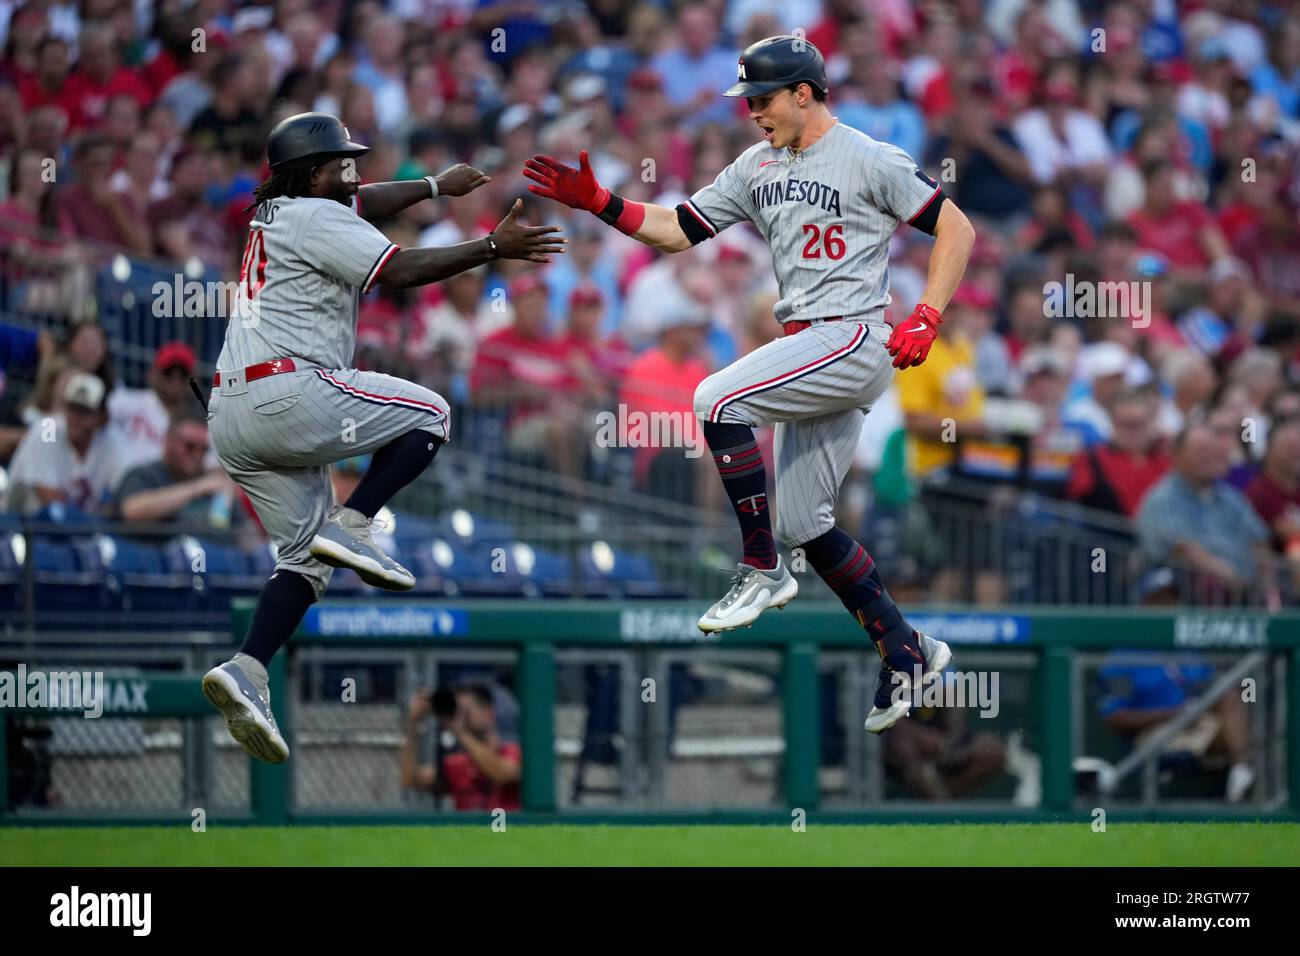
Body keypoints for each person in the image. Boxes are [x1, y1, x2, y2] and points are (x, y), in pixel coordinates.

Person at [525, 36, 975, 733]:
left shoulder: (869, 156)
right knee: (805, 522)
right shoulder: (755, 164)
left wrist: (930, 312)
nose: (752, 112)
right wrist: (603, 203)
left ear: (804, 92)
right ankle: (906, 649)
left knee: (714, 398)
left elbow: (956, 229)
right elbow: (678, 229)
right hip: (807, 347)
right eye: (746, 101)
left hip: (853, 332)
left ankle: (761, 567)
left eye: (762, 99)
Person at [201, 112, 565, 765]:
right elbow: (395, 270)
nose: (353, 171)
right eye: (341, 162)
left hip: (233, 413)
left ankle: (248, 668)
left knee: (305, 562)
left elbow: (363, 199)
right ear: (314, 173)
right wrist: (490, 249)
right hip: (289, 389)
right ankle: (358, 519)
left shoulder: (279, 211)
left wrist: (431, 186)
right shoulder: (319, 215)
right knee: (432, 412)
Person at [3, 371, 127, 516]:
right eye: (72, 408)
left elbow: (123, 494)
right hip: (25, 523)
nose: (76, 417)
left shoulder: (112, 439)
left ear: (100, 416)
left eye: (84, 411)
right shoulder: (46, 428)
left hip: (77, 531)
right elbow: (49, 499)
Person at [400, 685, 521, 811]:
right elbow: (409, 779)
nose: (459, 718)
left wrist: (460, 733)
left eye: (465, 712)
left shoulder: (513, 752)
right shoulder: (457, 764)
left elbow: (501, 775)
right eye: (456, 712)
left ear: (488, 714)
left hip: (506, 829)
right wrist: (413, 724)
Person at [113, 414, 238, 527]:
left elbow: (246, 533)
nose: (197, 454)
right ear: (169, 442)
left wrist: (227, 496)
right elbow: (132, 511)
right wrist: (196, 488)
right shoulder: (143, 474)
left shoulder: (212, 482)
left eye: (204, 449)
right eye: (190, 446)